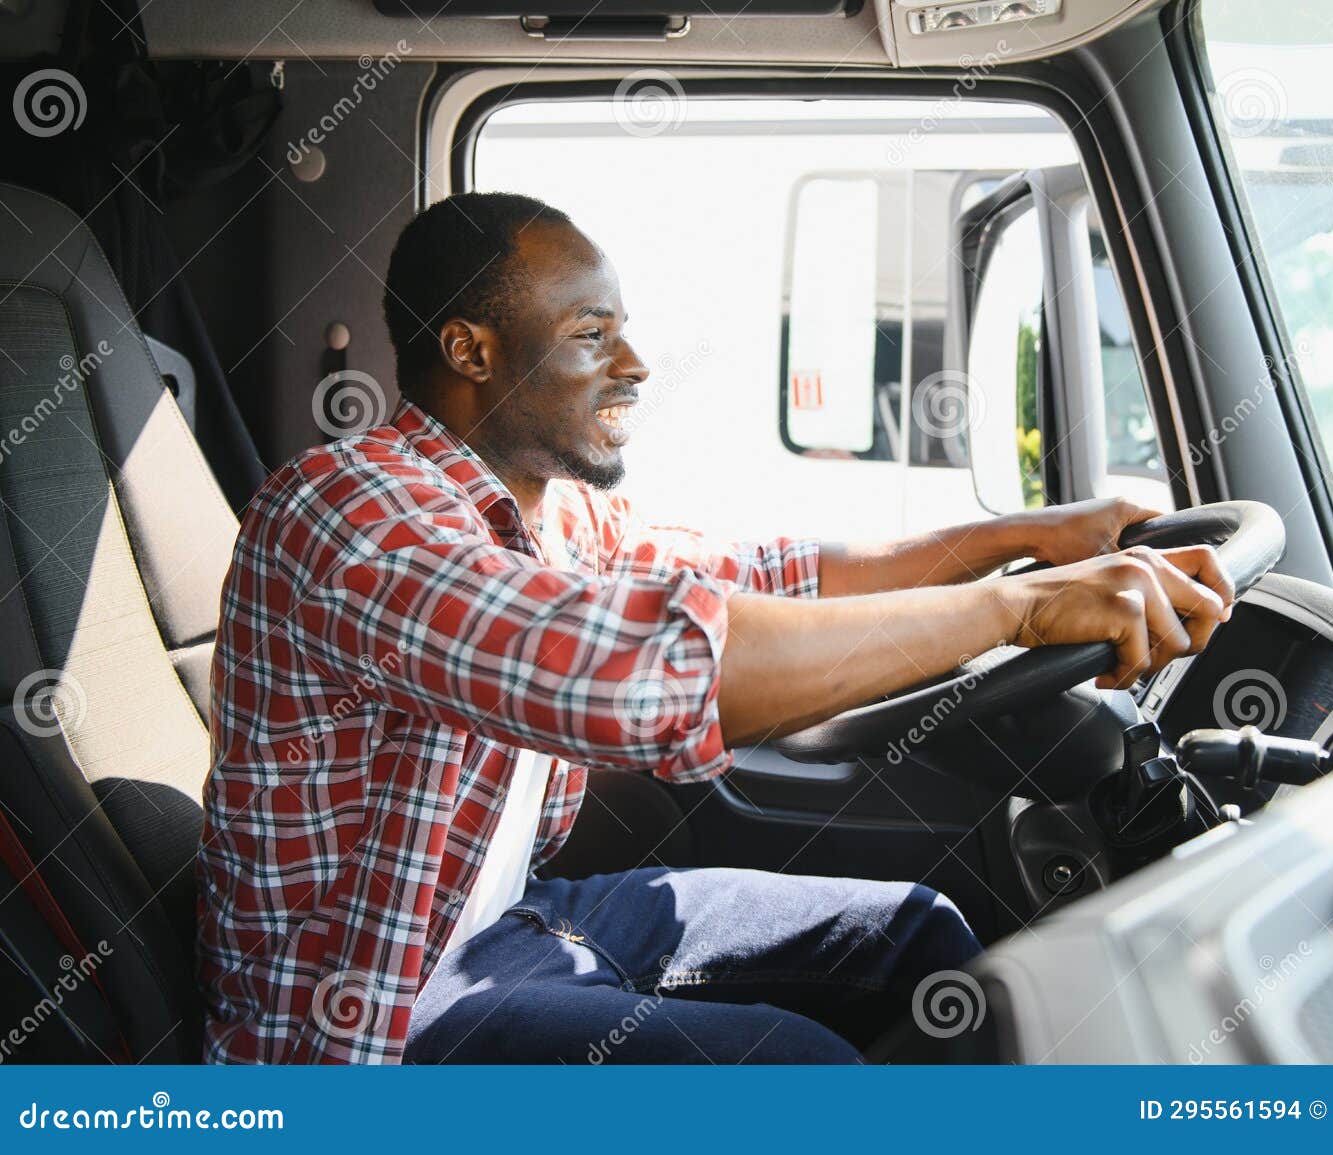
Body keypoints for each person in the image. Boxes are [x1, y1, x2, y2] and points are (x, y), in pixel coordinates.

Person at [195, 192, 1233, 1064]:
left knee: (919, 938)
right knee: (795, 1068)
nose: (635, 364)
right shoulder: (347, 510)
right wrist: (1020, 607)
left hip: (504, 923)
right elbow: (633, 675)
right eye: (592, 335)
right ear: (470, 349)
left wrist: (1033, 535)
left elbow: (788, 579)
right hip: (370, 1015)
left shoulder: (557, 512)